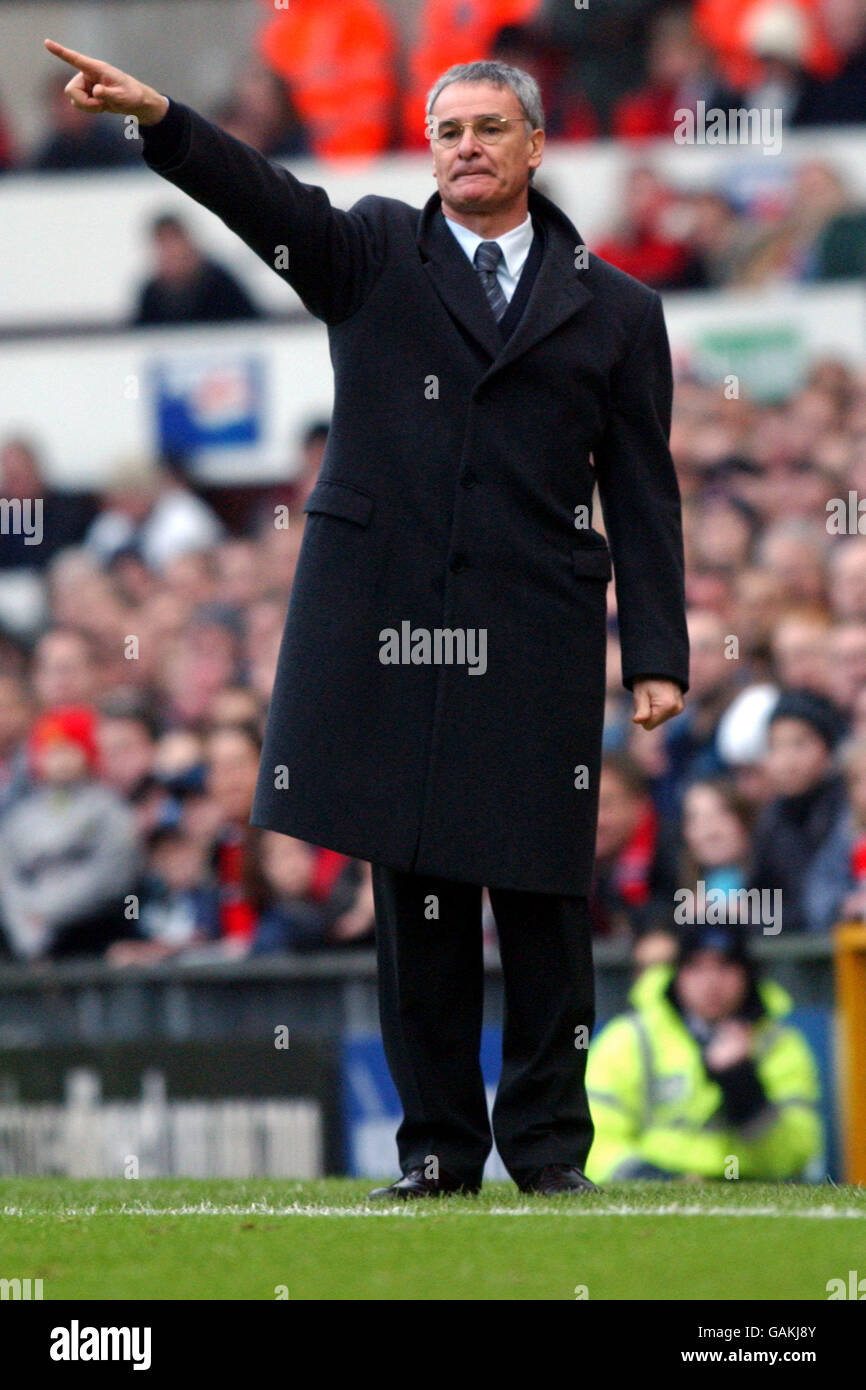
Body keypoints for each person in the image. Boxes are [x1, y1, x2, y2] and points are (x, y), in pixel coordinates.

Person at [44, 41, 690, 1198]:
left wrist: (655, 653)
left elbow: (641, 489)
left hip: (535, 634)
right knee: (420, 908)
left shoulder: (617, 304)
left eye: (489, 129)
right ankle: (437, 1151)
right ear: (428, 148)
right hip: (393, 630)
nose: (466, 149)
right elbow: (263, 201)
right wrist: (162, 119)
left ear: (534, 148)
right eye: (447, 131)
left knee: (544, 906)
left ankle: (547, 1152)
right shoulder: (374, 251)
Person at [585, 925, 823, 1181]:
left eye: (724, 965)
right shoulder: (629, 1040)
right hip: (654, 1193)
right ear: (677, 974)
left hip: (750, 1190)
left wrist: (743, 1085)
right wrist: (660, 1180)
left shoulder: (780, 1044)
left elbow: (796, 1157)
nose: (711, 981)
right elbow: (596, 1144)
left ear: (747, 974)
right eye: (695, 967)